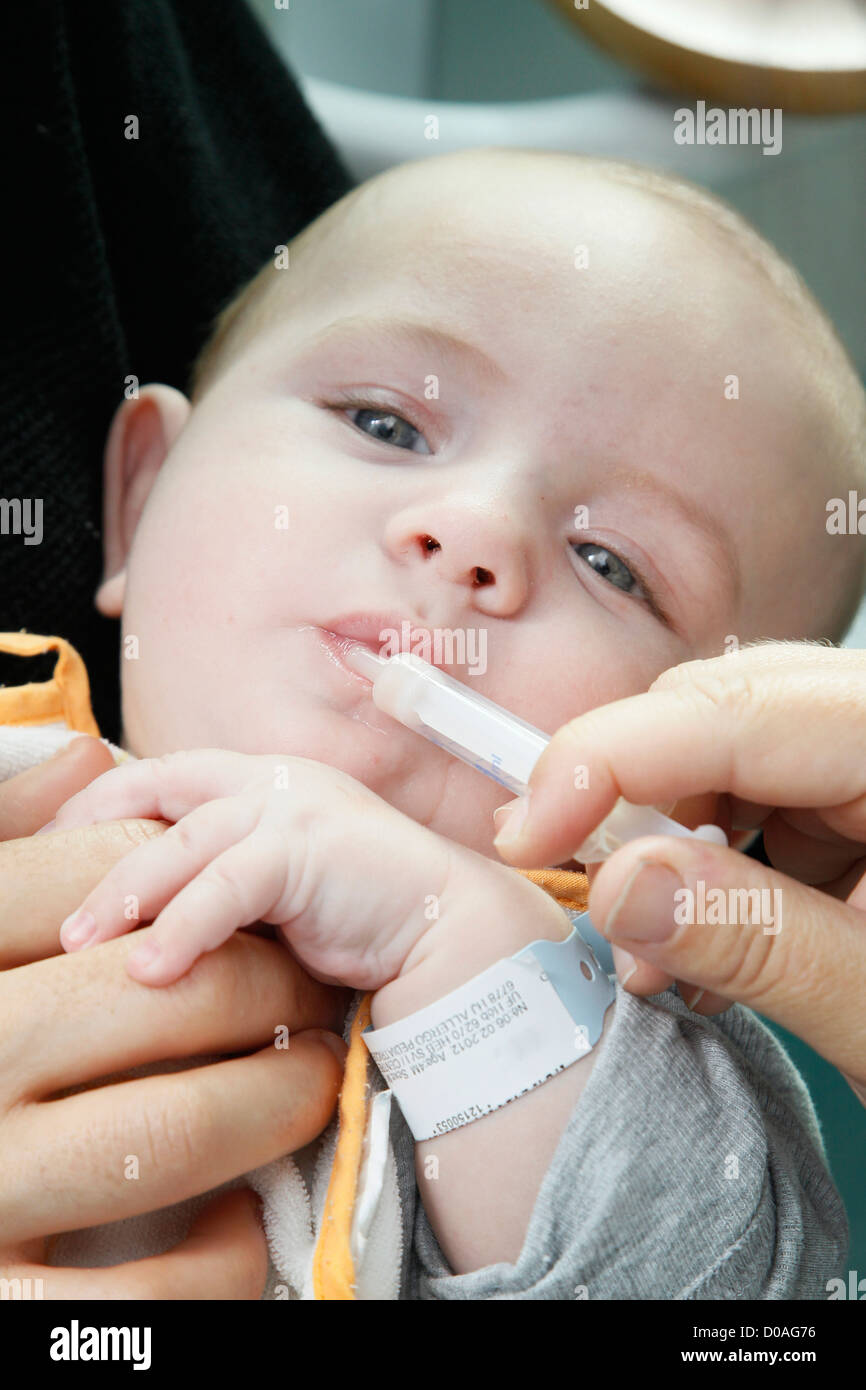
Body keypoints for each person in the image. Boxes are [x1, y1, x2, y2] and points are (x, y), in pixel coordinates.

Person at [3, 147, 862, 1298]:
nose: (470, 531)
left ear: (718, 806)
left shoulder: (628, 1054)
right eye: (386, 423)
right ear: (143, 494)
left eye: (611, 564)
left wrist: (450, 937)